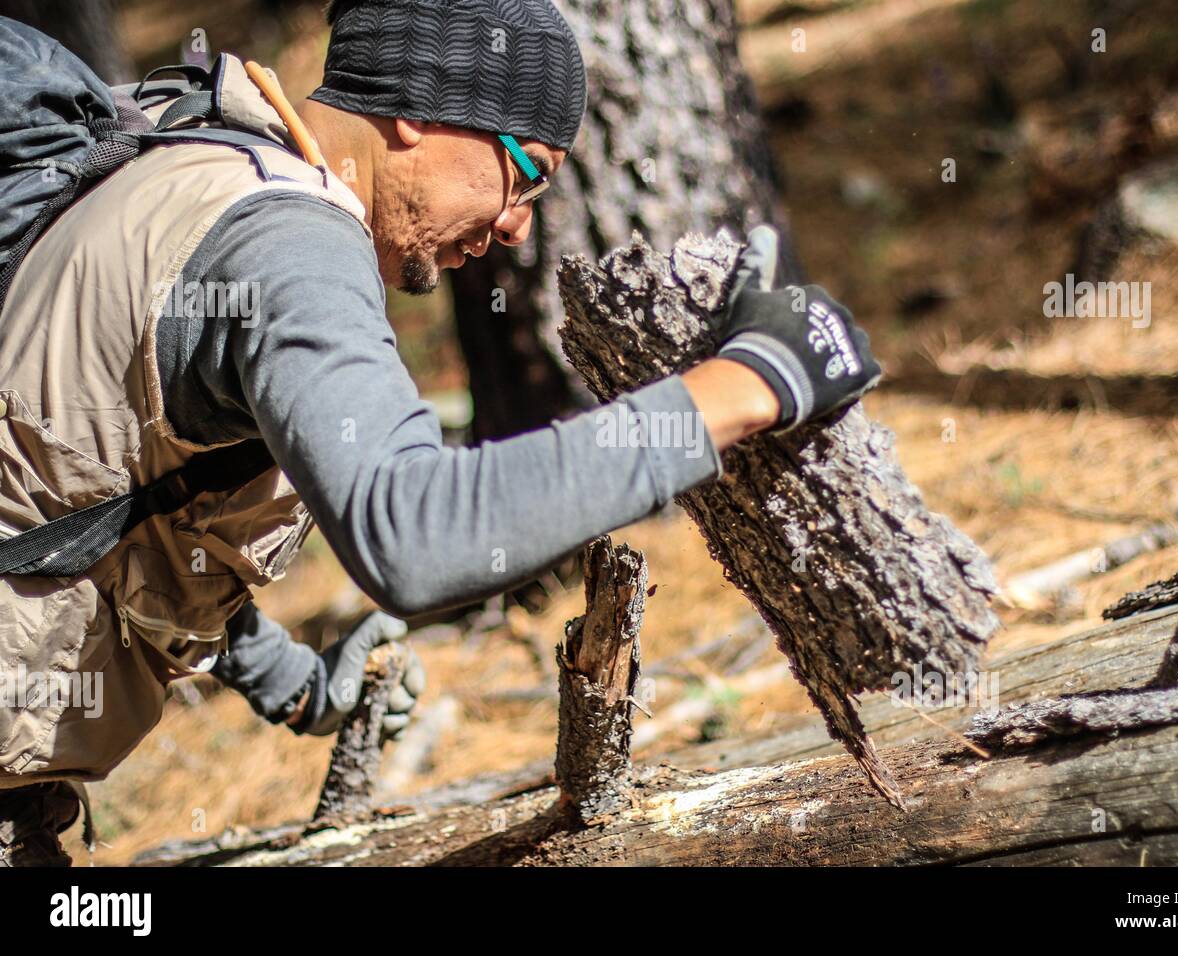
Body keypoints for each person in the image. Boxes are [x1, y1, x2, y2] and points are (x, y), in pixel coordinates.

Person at [0, 0, 879, 865]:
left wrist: (287, 678)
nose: (517, 225)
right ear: (418, 108)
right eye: (523, 173)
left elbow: (86, 491)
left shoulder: (186, 145)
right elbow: (417, 536)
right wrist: (752, 385)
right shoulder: (285, 242)